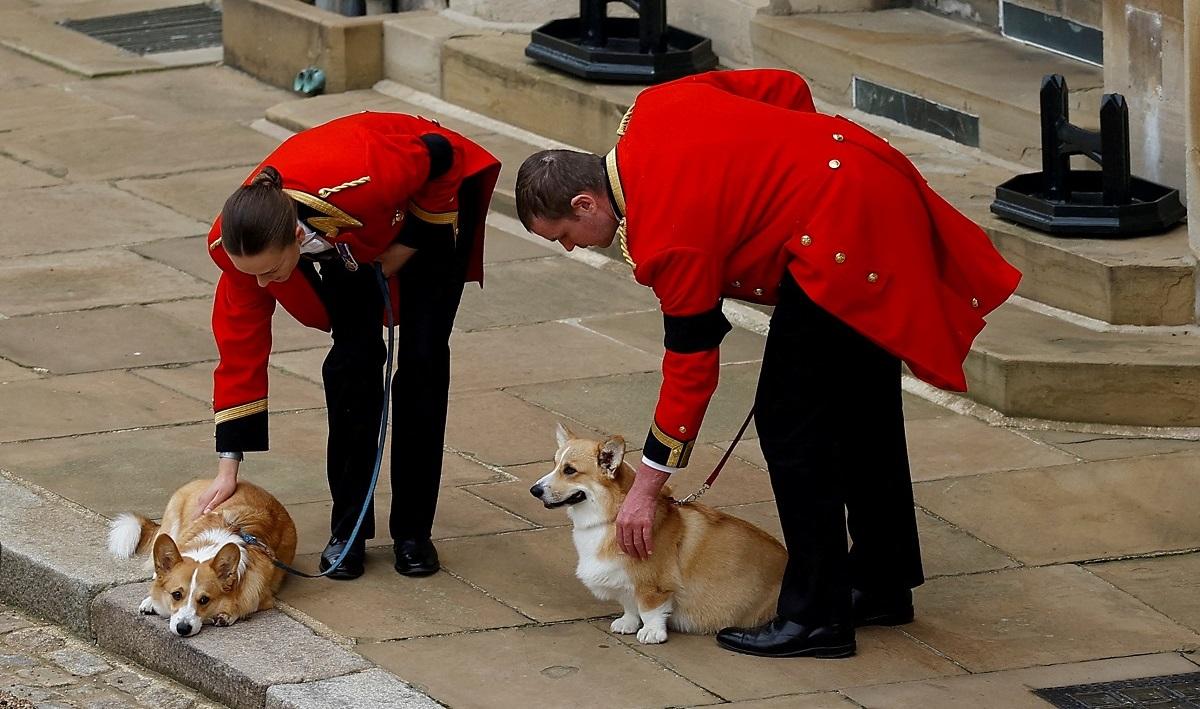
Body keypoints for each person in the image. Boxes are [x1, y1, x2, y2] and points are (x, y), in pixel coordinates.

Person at [514, 68, 1020, 658]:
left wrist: (646, 489)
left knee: (791, 426)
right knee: (862, 409)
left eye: (567, 235)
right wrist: (794, 166)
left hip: (839, 239)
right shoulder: (653, 107)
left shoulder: (665, 237)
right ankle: (882, 582)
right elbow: (783, 88)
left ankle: (817, 616)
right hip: (865, 179)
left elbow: (691, 368)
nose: (573, 247)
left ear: (585, 201)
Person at [200, 111, 500, 580]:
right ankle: (349, 531)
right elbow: (239, 351)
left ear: (296, 237)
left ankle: (413, 533)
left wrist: (410, 243)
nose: (258, 283)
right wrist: (228, 466)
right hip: (349, 241)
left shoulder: (365, 173)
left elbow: (443, 157)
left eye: (269, 271)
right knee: (351, 365)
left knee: (422, 363)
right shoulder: (241, 246)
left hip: (427, 212)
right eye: (250, 272)